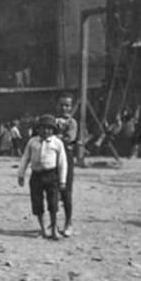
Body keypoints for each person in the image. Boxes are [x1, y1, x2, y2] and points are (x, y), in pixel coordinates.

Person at [17, 114, 68, 240]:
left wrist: (62, 180)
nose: (46, 131)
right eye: (43, 128)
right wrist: (21, 174)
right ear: (38, 129)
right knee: (37, 202)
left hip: (51, 175)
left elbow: (62, 163)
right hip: (36, 176)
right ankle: (43, 229)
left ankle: (54, 228)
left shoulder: (57, 143)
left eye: (49, 128)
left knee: (53, 203)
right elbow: (25, 158)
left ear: (53, 130)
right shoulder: (32, 142)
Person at [55, 92, 78, 237]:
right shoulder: (52, 120)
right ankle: (53, 223)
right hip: (53, 157)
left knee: (66, 190)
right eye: (62, 105)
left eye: (67, 105)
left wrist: (55, 137)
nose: (64, 108)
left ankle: (68, 222)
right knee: (52, 191)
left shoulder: (72, 122)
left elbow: (69, 138)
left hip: (66, 157)